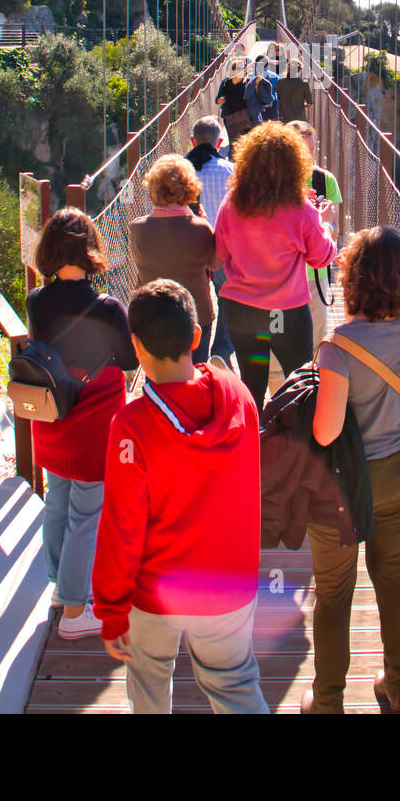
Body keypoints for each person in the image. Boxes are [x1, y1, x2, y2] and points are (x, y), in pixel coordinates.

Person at [93, 279, 269, 715]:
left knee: (150, 686)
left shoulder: (132, 425)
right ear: (195, 336)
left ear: (136, 346)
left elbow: (121, 525)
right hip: (228, 584)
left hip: (156, 592)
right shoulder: (238, 397)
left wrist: (112, 608)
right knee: (234, 687)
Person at [304, 226, 400, 714]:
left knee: (335, 592)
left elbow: (325, 432)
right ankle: (398, 687)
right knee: (392, 571)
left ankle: (328, 702)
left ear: (355, 278)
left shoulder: (339, 347)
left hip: (345, 483)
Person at [27, 208, 137, 639]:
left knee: (56, 499)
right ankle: (75, 612)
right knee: (86, 513)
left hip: (53, 415)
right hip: (93, 421)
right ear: (91, 248)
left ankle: (60, 589)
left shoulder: (37, 300)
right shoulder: (108, 307)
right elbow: (128, 361)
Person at [214, 121, 336, 412]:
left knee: (251, 387)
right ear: (295, 164)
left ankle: (253, 448)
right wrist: (325, 223)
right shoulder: (302, 209)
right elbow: (322, 257)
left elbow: (220, 253)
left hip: (242, 311)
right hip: (288, 314)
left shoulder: (232, 203)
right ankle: (294, 449)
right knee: (300, 386)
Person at [130, 154, 220, 365]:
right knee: (196, 373)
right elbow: (215, 264)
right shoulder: (200, 228)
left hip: (151, 313)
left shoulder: (137, 228)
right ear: (189, 187)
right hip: (195, 314)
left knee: (157, 375)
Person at [185, 117, 235, 366]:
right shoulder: (231, 171)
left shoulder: (180, 170)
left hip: (189, 247)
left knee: (194, 300)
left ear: (192, 141)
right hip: (223, 247)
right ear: (221, 142)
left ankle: (195, 354)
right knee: (227, 297)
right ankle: (221, 352)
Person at [288, 120, 343, 347]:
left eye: (311, 150)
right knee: (283, 344)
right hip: (283, 276)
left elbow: (335, 231)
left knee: (316, 344)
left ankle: (312, 382)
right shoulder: (273, 183)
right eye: (302, 151)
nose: (308, 157)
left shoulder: (324, 180)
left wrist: (320, 223)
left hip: (315, 276)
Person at [215, 59, 250, 147]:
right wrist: (221, 99)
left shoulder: (248, 82)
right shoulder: (226, 83)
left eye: (242, 67)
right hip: (230, 118)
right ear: (232, 70)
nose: (240, 69)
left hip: (244, 117)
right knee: (234, 143)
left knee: (245, 144)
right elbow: (217, 100)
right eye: (238, 68)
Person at [276, 57, 313, 124]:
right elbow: (309, 103)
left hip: (285, 119)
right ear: (299, 70)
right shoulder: (304, 83)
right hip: (300, 119)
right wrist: (301, 104)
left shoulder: (280, 82)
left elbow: (279, 99)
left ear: (288, 68)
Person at [244, 58, 277, 127]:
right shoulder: (274, 76)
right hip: (270, 105)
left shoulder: (249, 77)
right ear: (266, 65)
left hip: (255, 107)